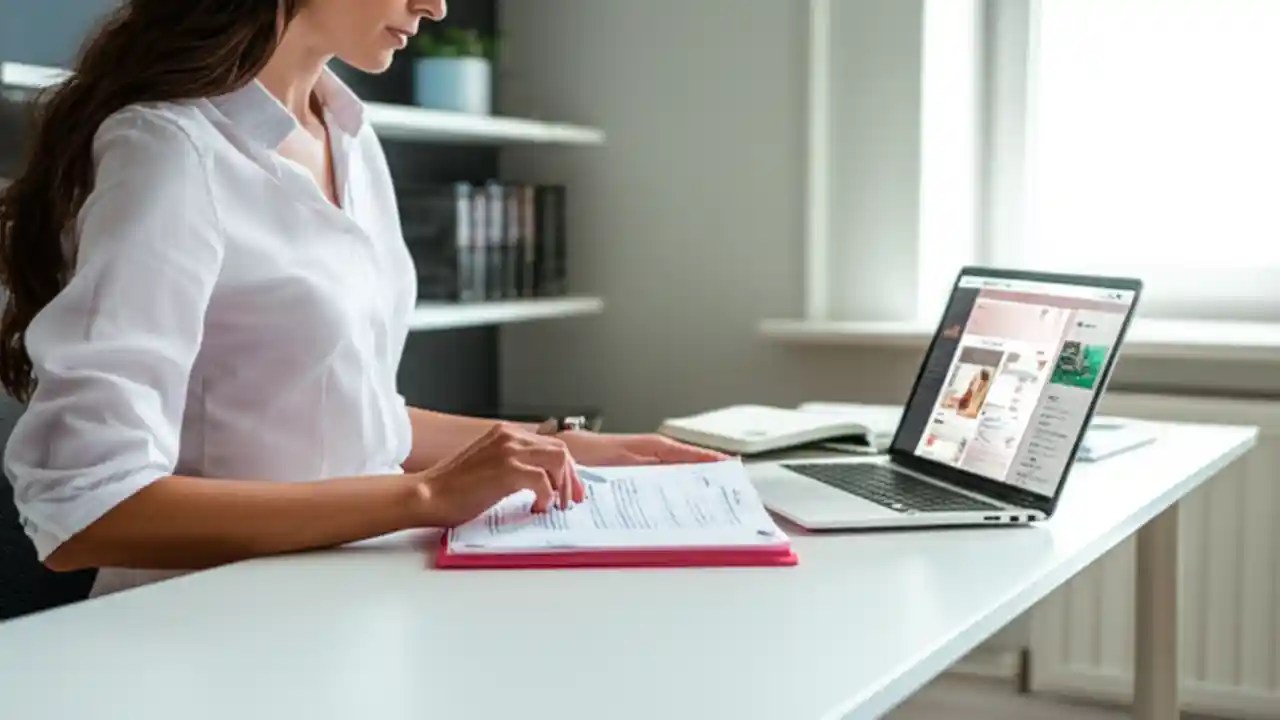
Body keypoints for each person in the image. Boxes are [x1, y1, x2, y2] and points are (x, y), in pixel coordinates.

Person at [0, 0, 722, 596]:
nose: (435, 6)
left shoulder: (346, 134)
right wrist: (428, 497)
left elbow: (347, 412)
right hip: (205, 633)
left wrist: (556, 447)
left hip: (350, 606)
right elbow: (87, 507)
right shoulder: (168, 151)